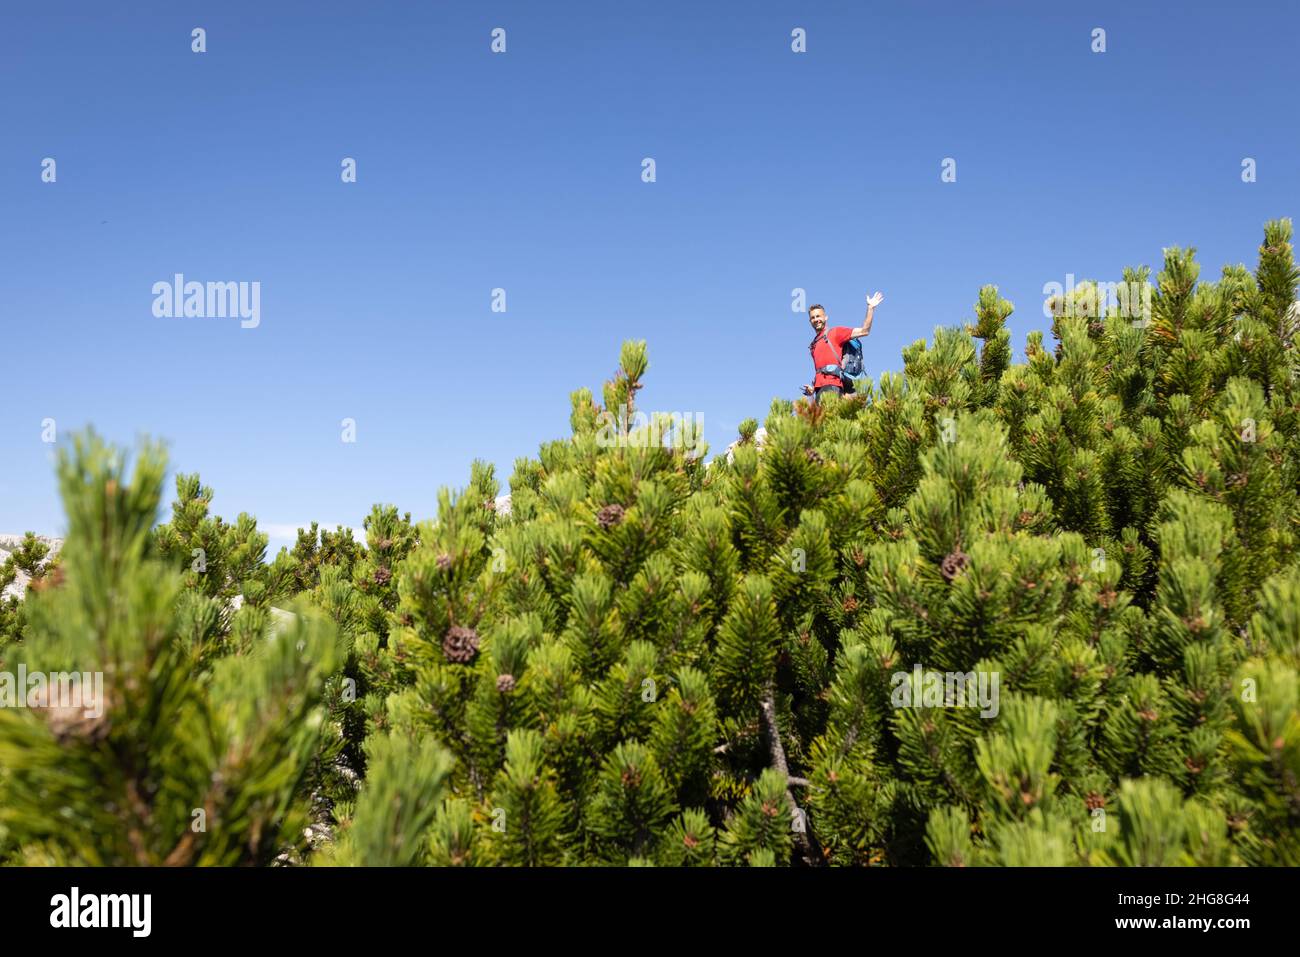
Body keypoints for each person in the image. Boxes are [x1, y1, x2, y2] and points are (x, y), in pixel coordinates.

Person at [801, 293, 884, 402]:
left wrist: (871, 308)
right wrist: (812, 389)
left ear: (825, 317)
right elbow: (821, 370)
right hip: (819, 390)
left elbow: (865, 331)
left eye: (818, 316)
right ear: (810, 321)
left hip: (833, 387)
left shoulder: (835, 332)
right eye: (813, 317)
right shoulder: (814, 345)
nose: (816, 319)